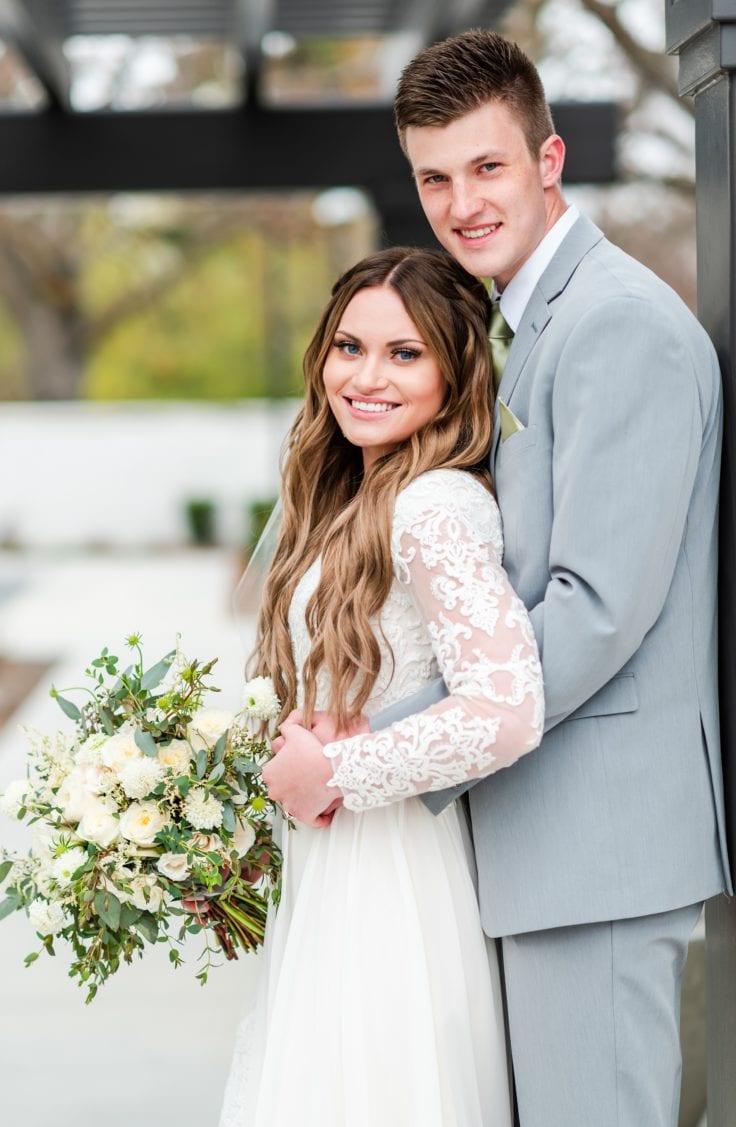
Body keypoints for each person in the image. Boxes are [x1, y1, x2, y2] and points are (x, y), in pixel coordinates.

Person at [263, 28, 731, 1127]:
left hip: (597, 847)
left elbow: (597, 610)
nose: (462, 202)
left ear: (550, 158)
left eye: (488, 167)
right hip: (541, 839)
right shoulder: (529, 321)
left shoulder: (614, 324)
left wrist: (368, 751)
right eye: (435, 176)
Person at [219, 246, 544, 1126]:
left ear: (456, 368)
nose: (367, 376)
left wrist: (337, 774)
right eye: (349, 346)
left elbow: (506, 710)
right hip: (330, 865)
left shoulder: (438, 506)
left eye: (405, 353)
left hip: (394, 873)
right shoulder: (345, 497)